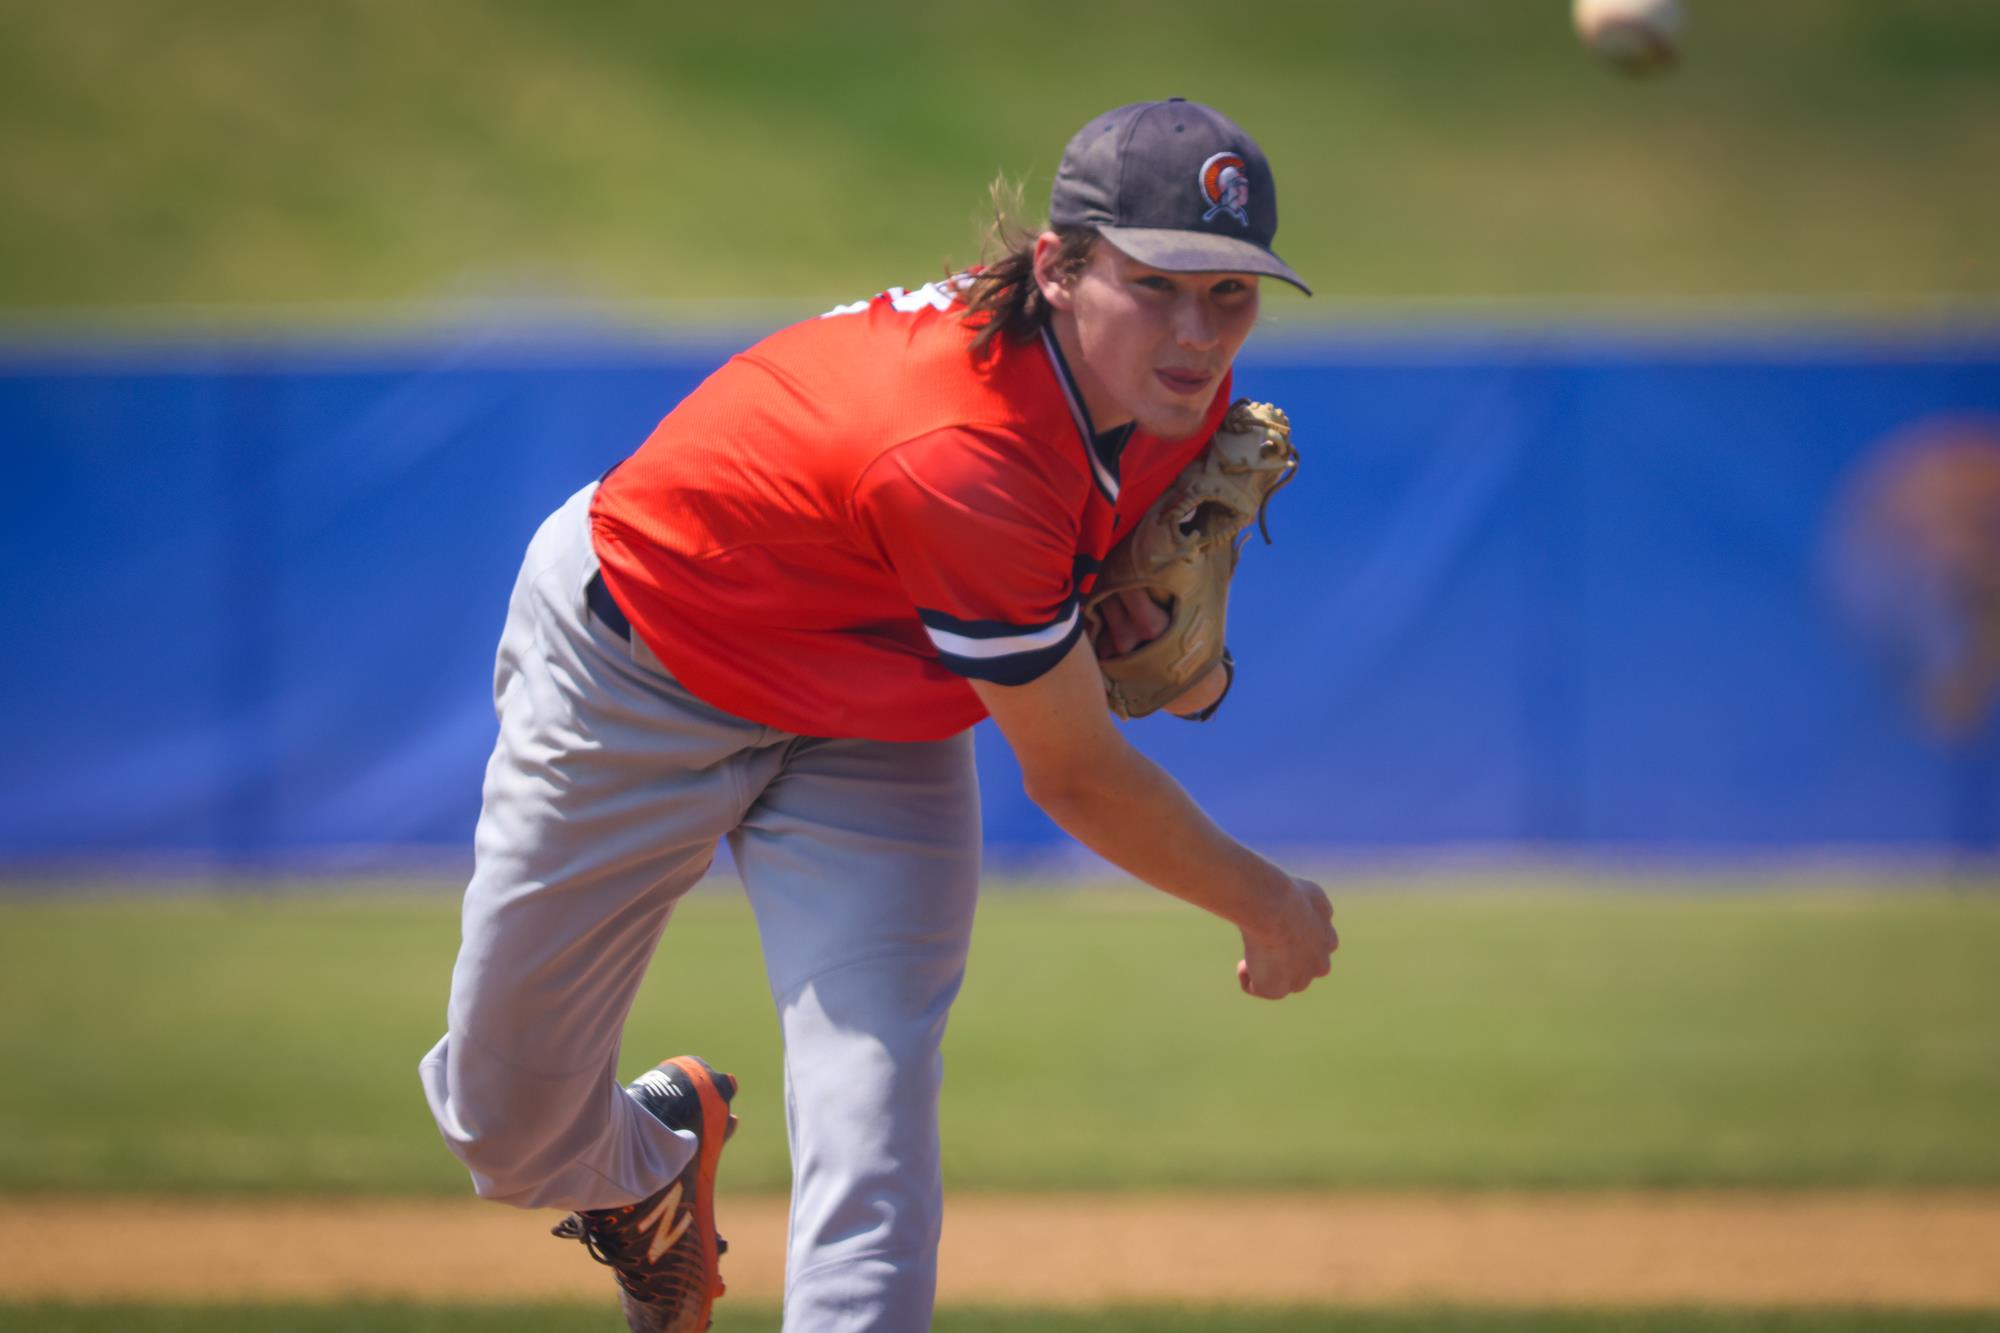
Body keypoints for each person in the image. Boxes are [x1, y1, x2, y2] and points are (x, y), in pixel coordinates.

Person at [418, 97, 1339, 1333]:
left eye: (1229, 293)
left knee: (872, 1102)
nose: (1195, 333)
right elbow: (1073, 776)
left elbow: (1152, 654)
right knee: (507, 1127)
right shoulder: (959, 445)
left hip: (873, 726)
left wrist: (1181, 668)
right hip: (641, 668)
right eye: (1158, 283)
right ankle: (647, 1169)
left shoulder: (1166, 404)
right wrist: (1265, 902)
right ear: (1058, 268)